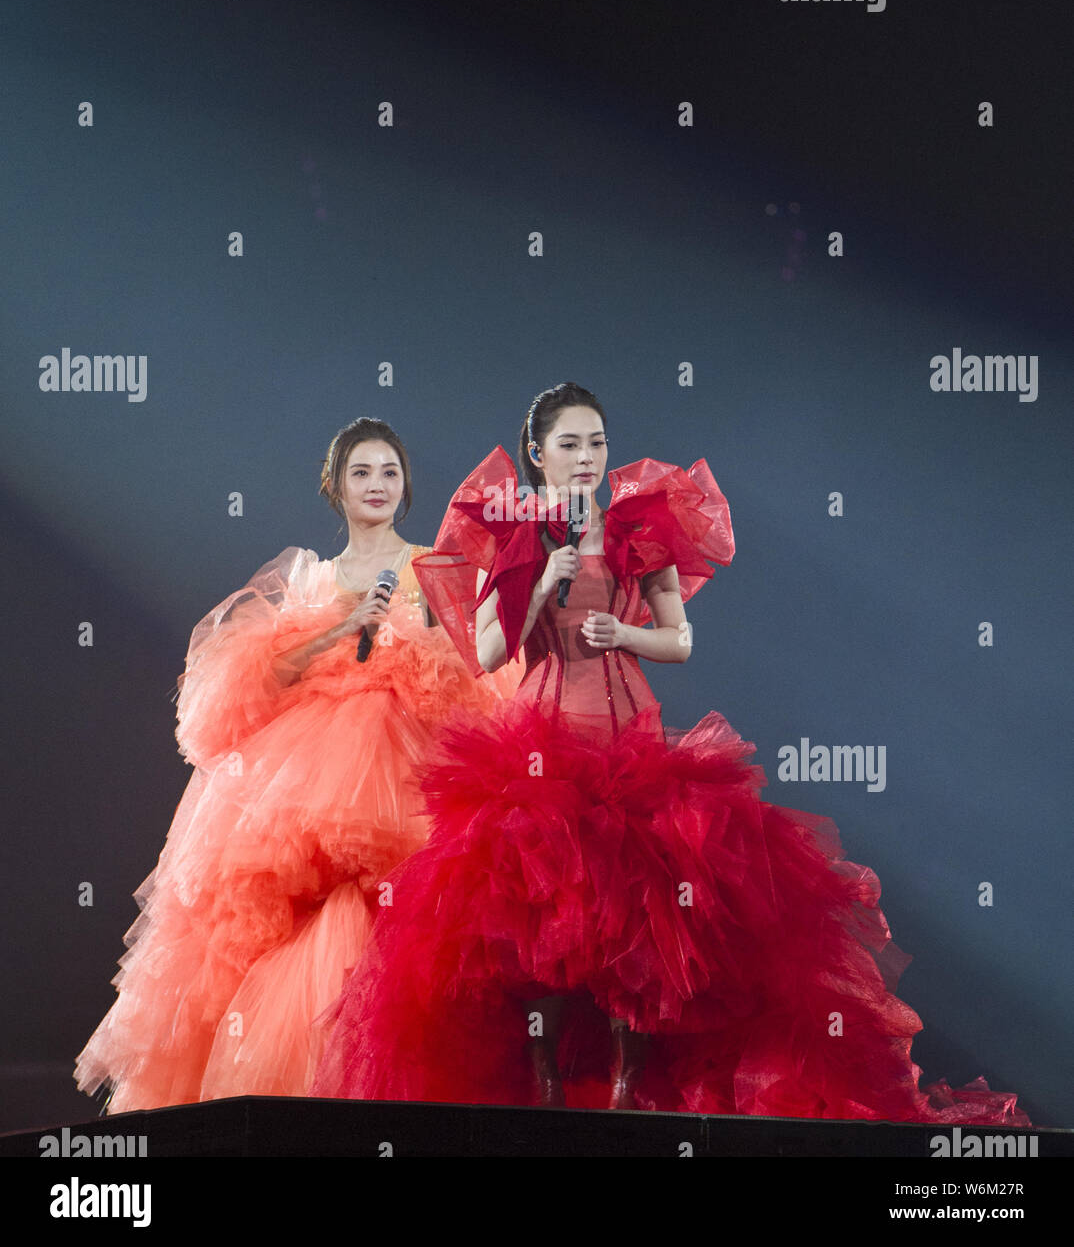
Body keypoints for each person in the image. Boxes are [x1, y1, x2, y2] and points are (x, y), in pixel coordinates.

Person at [310, 385, 1027, 1124]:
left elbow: (680, 642)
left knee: (642, 917)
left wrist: (625, 636)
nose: (586, 458)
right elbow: (487, 656)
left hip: (630, 744)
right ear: (537, 455)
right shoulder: (516, 538)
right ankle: (546, 1084)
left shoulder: (638, 532)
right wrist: (538, 591)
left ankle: (627, 1086)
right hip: (539, 749)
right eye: (569, 445)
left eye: (597, 443)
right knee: (538, 923)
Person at [74, 418, 519, 1112]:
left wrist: (406, 637)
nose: (377, 485)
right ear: (335, 486)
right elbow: (264, 678)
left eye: (390, 473)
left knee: (396, 917)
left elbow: (475, 671)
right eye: (363, 473)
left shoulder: (430, 565)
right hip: (303, 772)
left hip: (401, 765)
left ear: (406, 487)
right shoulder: (312, 575)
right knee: (286, 920)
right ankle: (283, 1097)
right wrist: (344, 626)